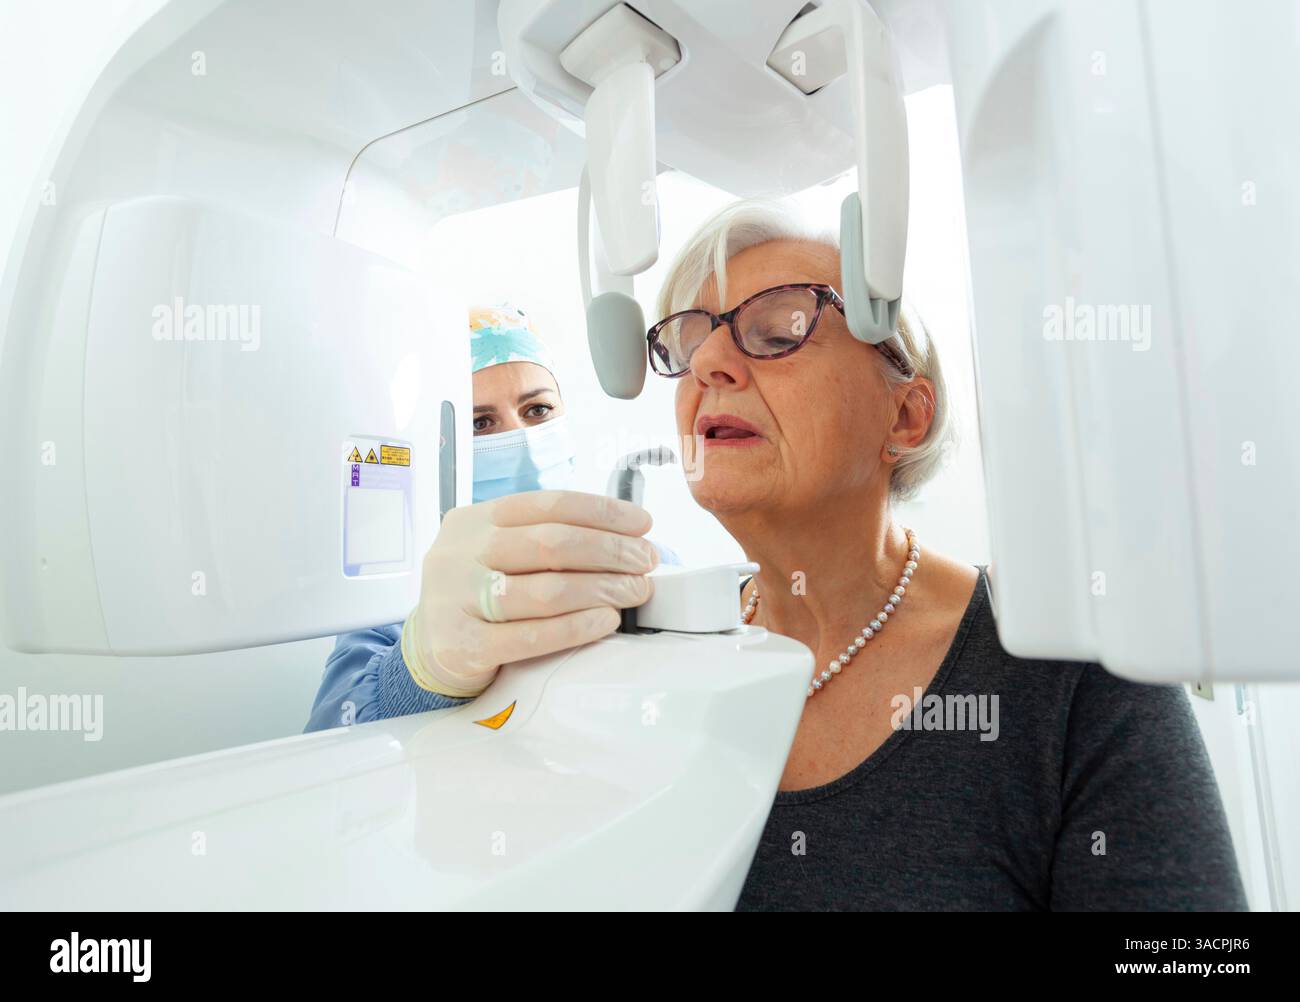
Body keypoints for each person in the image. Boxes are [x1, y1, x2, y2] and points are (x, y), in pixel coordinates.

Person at [644, 198, 1248, 911]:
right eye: (687, 345)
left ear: (904, 415)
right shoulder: (650, 658)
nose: (709, 363)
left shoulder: (1070, 670)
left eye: (779, 330)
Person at [304, 305, 666, 732]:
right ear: (444, 444)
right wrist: (422, 672)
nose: (519, 438)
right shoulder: (395, 602)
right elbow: (330, 754)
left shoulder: (645, 565)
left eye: (537, 411)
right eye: (481, 422)